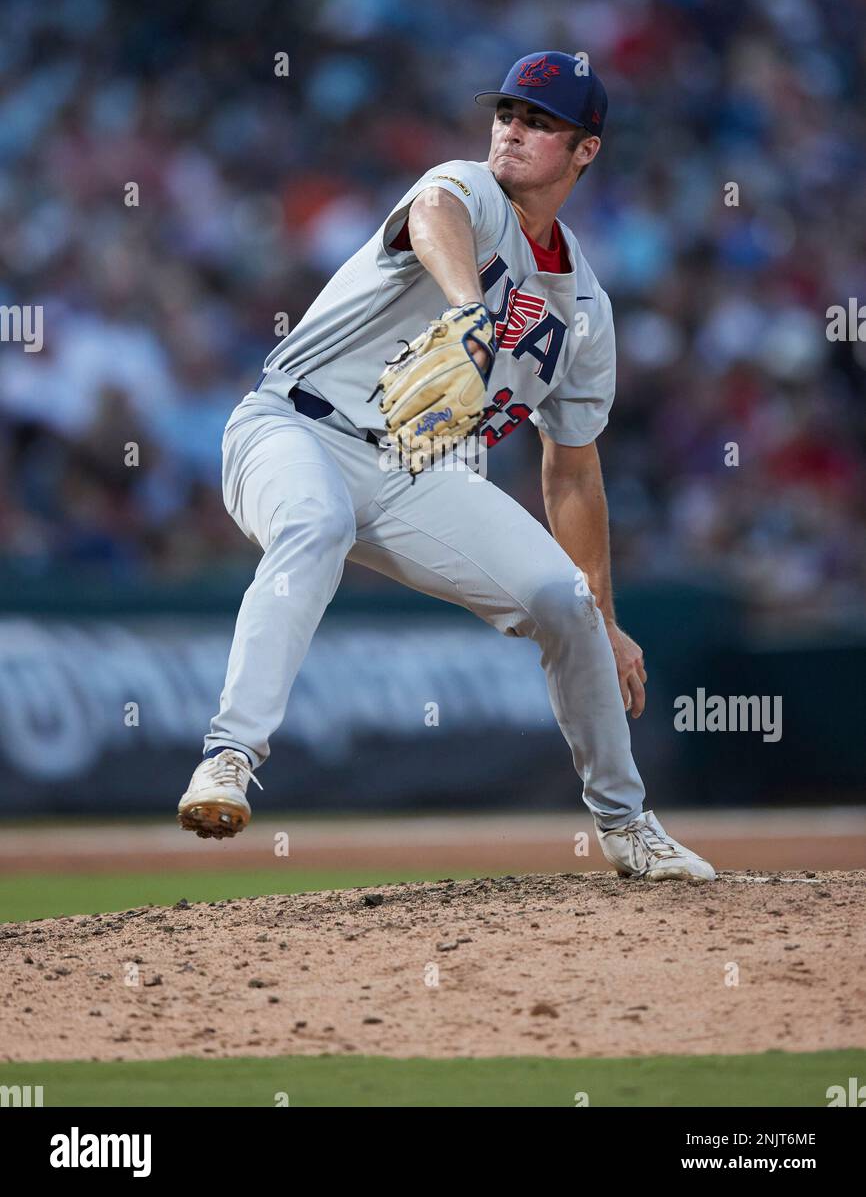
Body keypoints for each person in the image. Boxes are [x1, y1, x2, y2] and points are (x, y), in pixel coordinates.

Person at [177, 50, 715, 882]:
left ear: (586, 151)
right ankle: (229, 757)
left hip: (416, 471)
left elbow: (571, 471)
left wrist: (605, 616)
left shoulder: (585, 312)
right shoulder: (466, 190)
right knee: (314, 523)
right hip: (291, 426)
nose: (513, 129)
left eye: (541, 121)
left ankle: (625, 823)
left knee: (563, 601)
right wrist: (470, 310)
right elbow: (434, 213)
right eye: (507, 112)